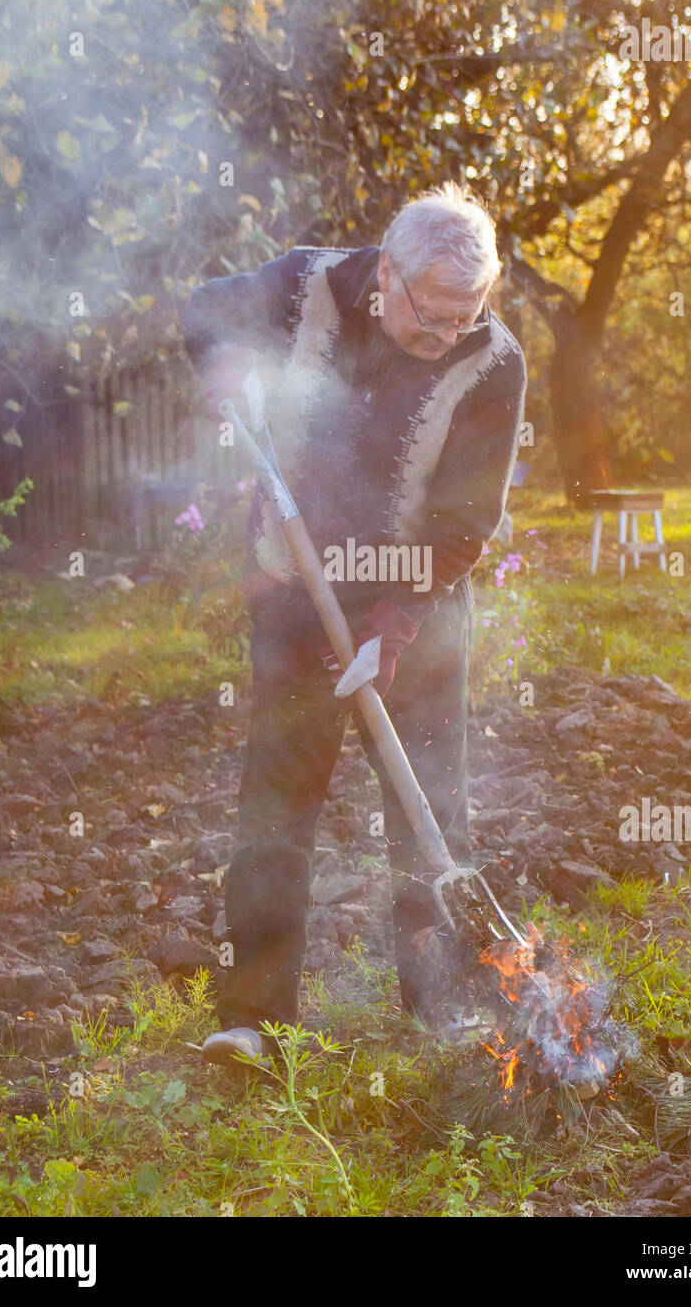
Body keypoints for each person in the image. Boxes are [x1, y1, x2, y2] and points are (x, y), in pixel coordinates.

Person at [182, 182, 527, 1063]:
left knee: (428, 815)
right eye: (434, 315)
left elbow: (464, 524)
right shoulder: (304, 284)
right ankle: (254, 1020)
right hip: (294, 597)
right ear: (388, 272)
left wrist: (391, 628)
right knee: (277, 803)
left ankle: (440, 1011)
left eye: (467, 315)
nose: (449, 334)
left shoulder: (491, 361)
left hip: (416, 605)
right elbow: (206, 311)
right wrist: (226, 371)